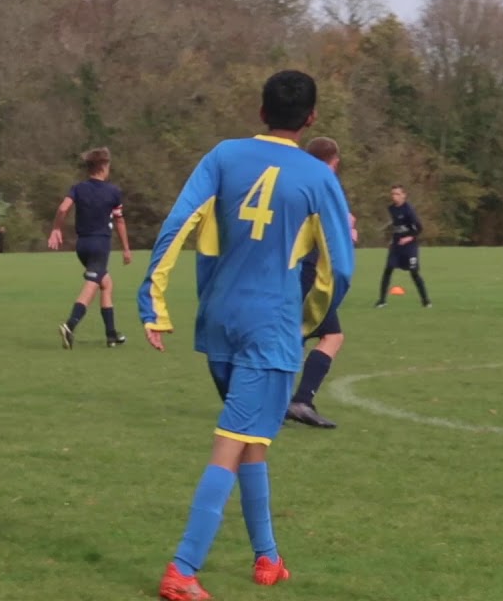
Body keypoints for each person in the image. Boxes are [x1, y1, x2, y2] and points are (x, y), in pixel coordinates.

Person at [136, 70, 355, 600]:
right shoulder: (318, 176)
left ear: (261, 112)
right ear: (310, 118)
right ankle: (183, 569)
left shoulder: (222, 156)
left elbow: (177, 223)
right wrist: (308, 320)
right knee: (231, 442)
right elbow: (339, 268)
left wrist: (153, 300)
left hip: (218, 321)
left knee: (253, 441)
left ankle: (268, 557)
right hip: (268, 326)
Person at [286, 136, 357, 430]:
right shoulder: (326, 186)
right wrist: (348, 230)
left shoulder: (292, 182)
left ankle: (276, 403)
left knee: (293, 338)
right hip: (312, 273)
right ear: (335, 163)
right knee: (332, 336)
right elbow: (330, 233)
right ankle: (300, 400)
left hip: (287, 271)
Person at [47, 147, 133, 349]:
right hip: (100, 245)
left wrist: (56, 229)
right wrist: (126, 248)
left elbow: (62, 208)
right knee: (92, 285)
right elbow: (119, 221)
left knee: (106, 284)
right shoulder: (113, 192)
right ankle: (70, 325)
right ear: (104, 166)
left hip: (82, 245)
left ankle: (111, 334)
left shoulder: (78, 188)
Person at [376, 184, 431, 308]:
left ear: (404, 195)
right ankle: (382, 300)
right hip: (396, 246)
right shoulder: (391, 209)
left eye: (397, 194)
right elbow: (396, 227)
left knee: (414, 272)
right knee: (388, 269)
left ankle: (426, 301)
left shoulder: (408, 210)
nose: (394, 197)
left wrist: (408, 238)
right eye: (393, 194)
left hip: (410, 246)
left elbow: (419, 228)